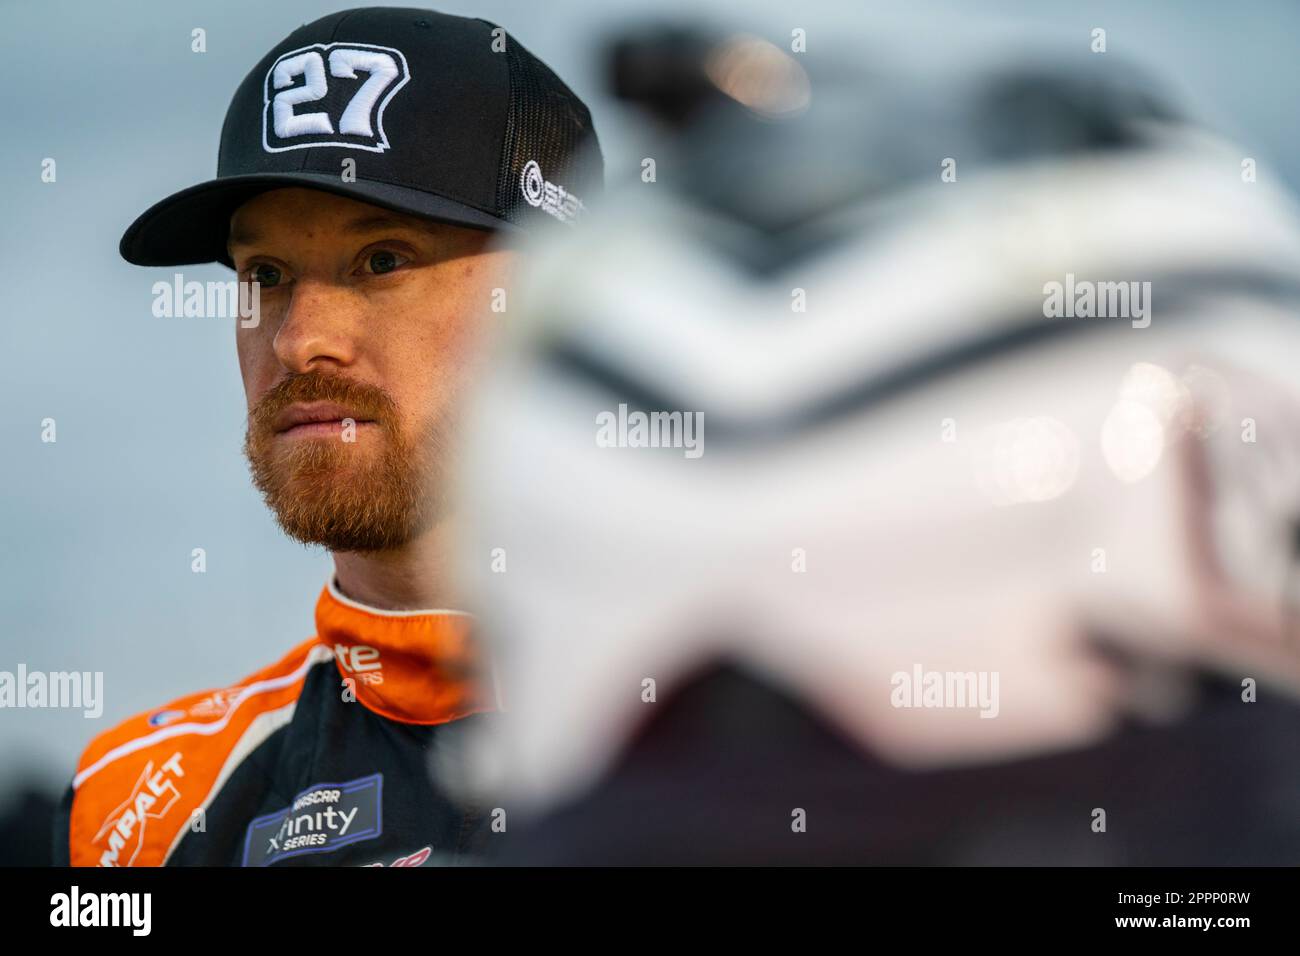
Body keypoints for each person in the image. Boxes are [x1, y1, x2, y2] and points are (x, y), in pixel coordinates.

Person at [53, 6, 602, 867]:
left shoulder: (805, 754)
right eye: (263, 275)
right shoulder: (136, 814)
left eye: (382, 258)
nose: (298, 339)